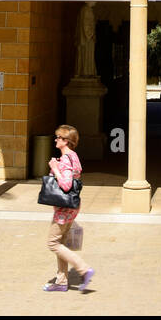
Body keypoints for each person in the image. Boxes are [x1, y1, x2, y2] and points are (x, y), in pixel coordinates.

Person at [43, 124, 95, 293]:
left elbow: (65, 185)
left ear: (66, 141)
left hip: (63, 210)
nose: (56, 139)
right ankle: (61, 281)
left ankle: (83, 268)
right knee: (61, 242)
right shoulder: (74, 156)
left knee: (53, 243)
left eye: (58, 137)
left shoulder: (65, 159)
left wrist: (54, 168)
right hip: (71, 207)